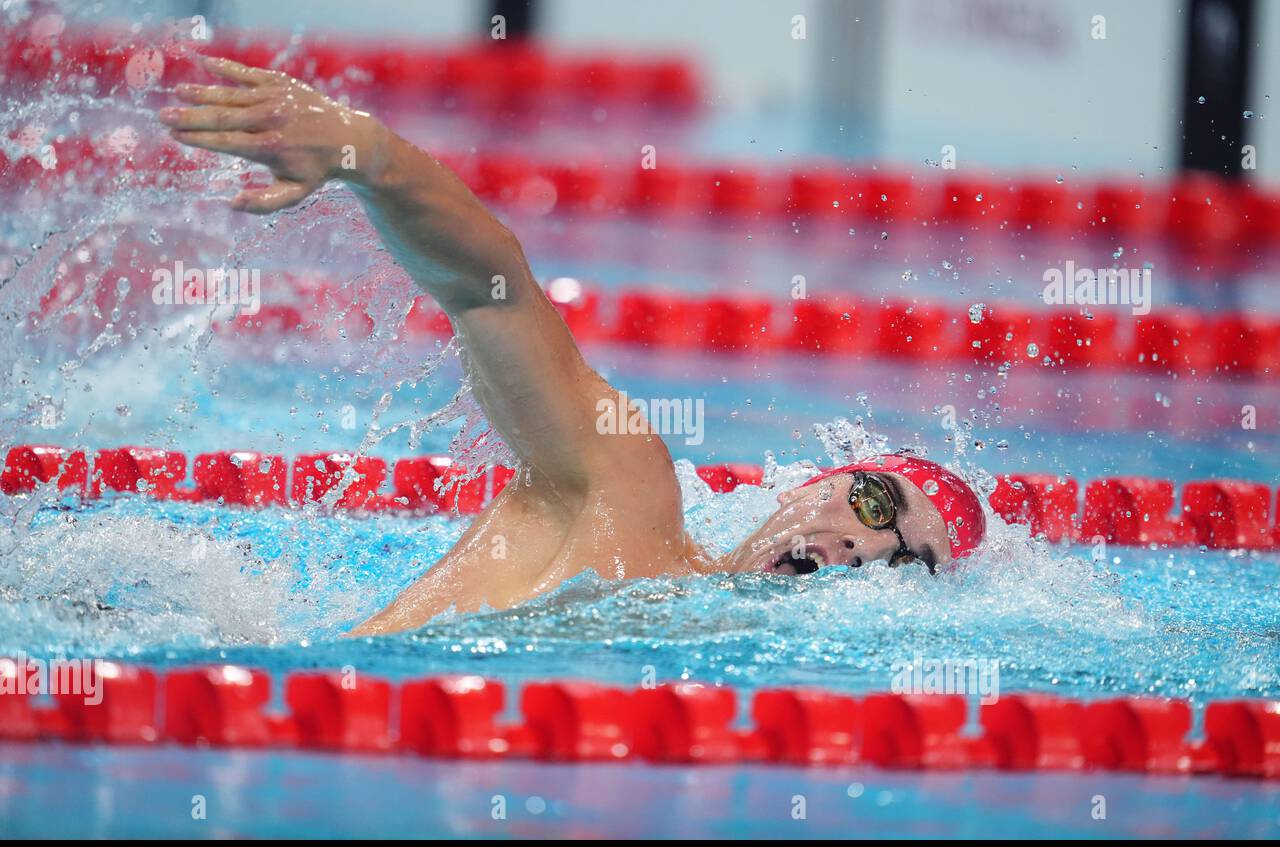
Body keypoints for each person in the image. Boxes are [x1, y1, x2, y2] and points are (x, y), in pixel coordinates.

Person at [160, 57, 986, 636]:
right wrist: (368, 154)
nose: (860, 550)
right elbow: (495, 291)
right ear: (818, 483)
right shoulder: (626, 498)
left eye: (901, 563)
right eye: (877, 507)